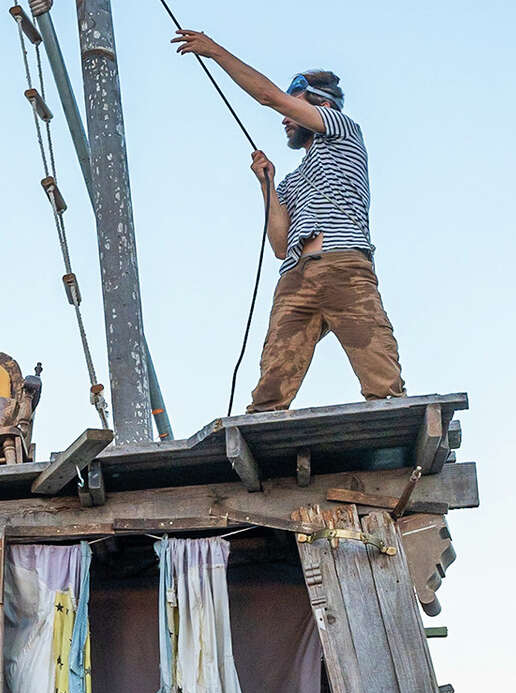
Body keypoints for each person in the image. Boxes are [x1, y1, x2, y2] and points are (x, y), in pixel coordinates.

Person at [171, 31, 405, 412]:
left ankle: (393, 416)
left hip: (344, 263)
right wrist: (267, 185)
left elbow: (267, 96)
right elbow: (281, 245)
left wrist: (215, 51)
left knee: (378, 368)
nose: (284, 119)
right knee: (272, 380)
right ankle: (264, 423)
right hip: (296, 274)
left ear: (321, 105)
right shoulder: (296, 179)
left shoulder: (342, 130)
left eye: (292, 108)